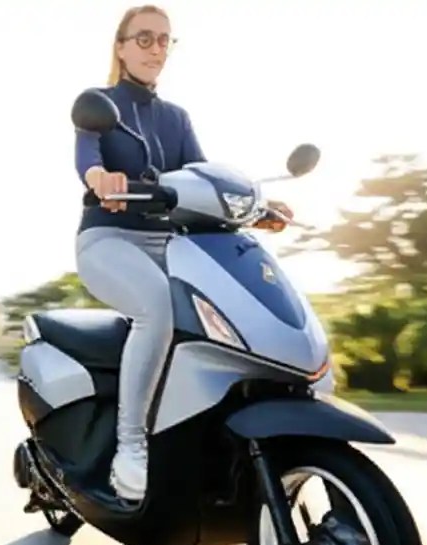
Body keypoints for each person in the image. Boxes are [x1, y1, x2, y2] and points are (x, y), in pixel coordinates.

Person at [74, 4, 292, 502]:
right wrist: (100, 178)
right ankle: (131, 446)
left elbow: (201, 179)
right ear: (121, 47)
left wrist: (257, 207)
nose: (156, 49)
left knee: (224, 307)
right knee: (155, 304)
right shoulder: (98, 105)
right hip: (109, 240)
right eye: (144, 38)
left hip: (170, 244)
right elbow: (87, 156)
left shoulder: (177, 118)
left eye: (164, 40)